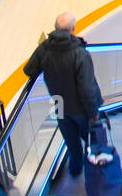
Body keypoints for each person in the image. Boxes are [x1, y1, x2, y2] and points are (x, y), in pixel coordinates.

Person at [23, 12, 101, 180]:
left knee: (70, 139)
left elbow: (28, 70)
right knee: (91, 137)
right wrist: (93, 111)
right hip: (81, 108)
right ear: (73, 29)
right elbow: (87, 88)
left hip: (58, 105)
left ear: (55, 28)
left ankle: (75, 167)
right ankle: (93, 170)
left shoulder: (44, 48)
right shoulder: (80, 53)